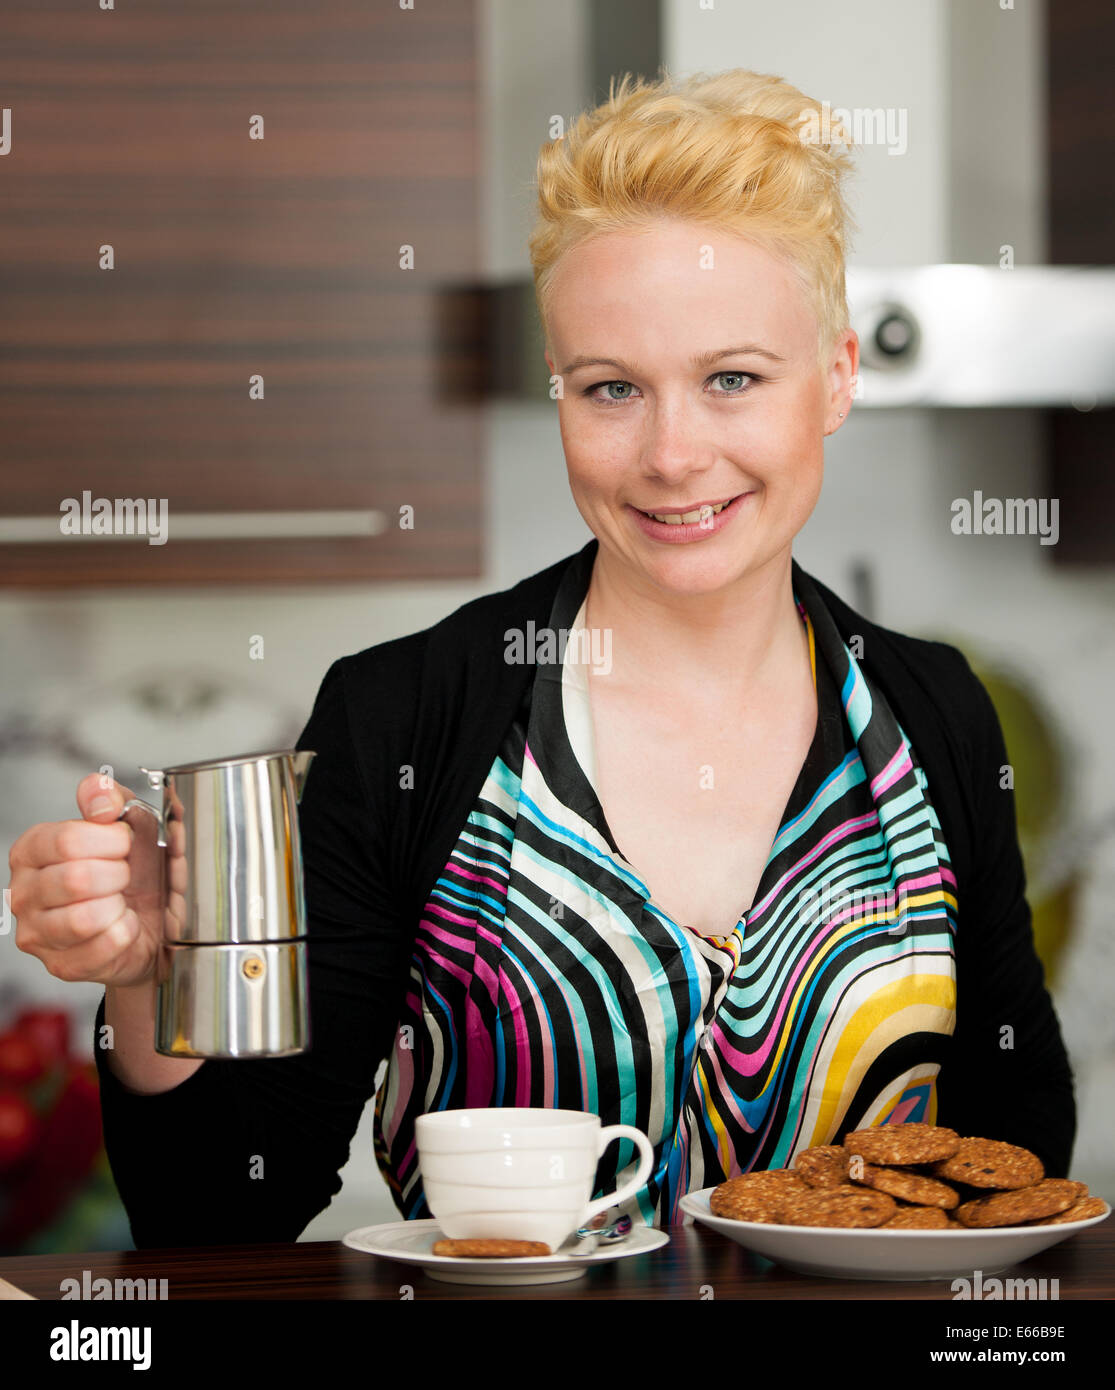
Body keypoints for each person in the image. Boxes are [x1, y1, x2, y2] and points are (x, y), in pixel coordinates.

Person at [9, 68, 1075, 1248]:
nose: (671, 455)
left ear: (831, 376)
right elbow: (219, 1208)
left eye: (731, 378)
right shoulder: (405, 715)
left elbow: (1016, 1151)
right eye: (611, 388)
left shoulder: (933, 711)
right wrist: (153, 985)